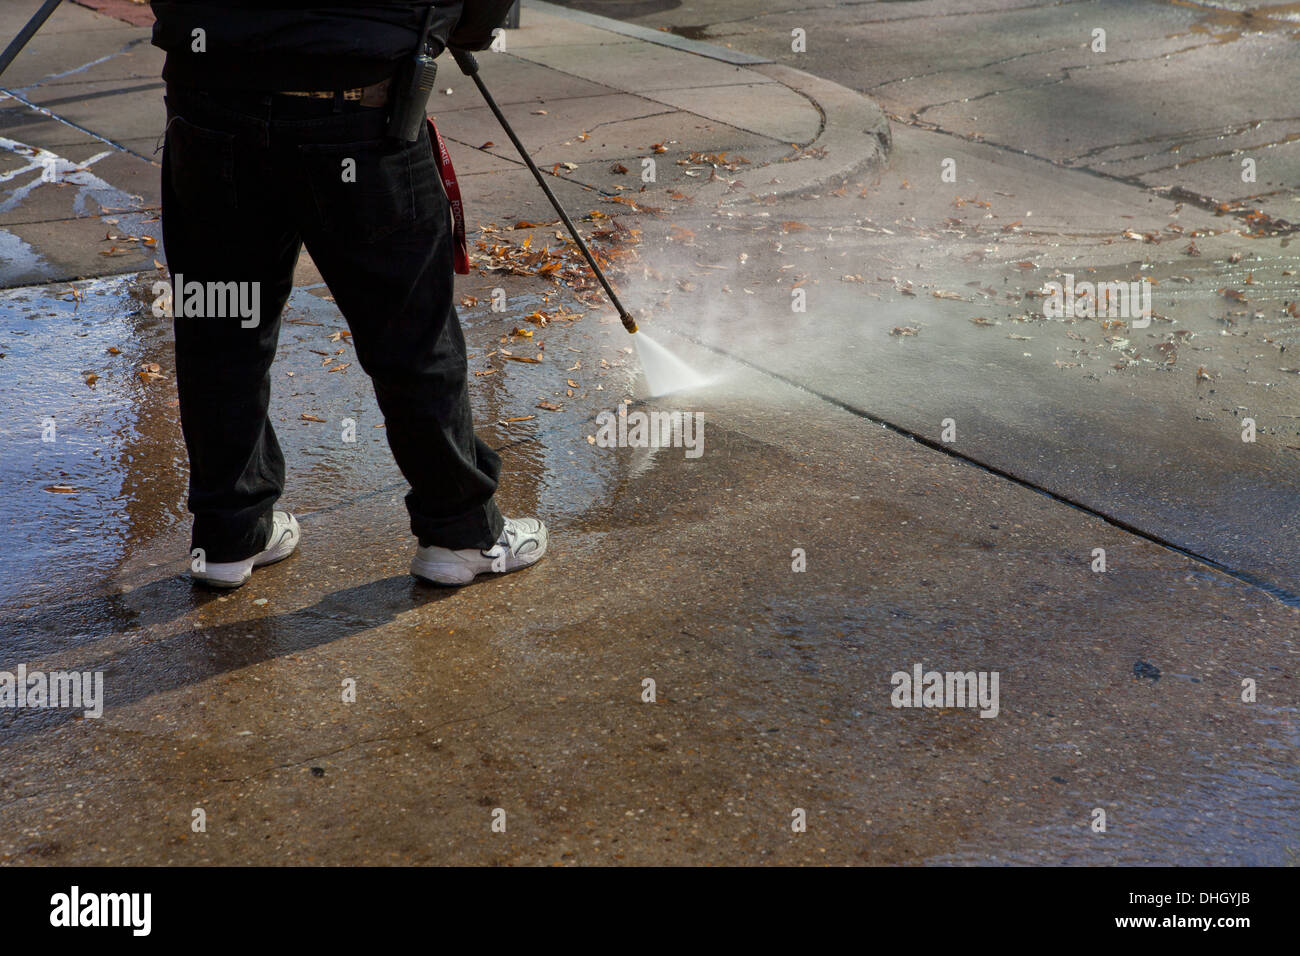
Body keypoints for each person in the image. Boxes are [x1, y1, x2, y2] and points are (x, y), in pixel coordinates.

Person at [149, 0, 546, 589]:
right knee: (411, 338)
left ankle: (230, 535)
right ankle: (461, 534)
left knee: (221, 329)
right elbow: (478, 12)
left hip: (210, 104)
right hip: (359, 112)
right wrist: (459, 26)